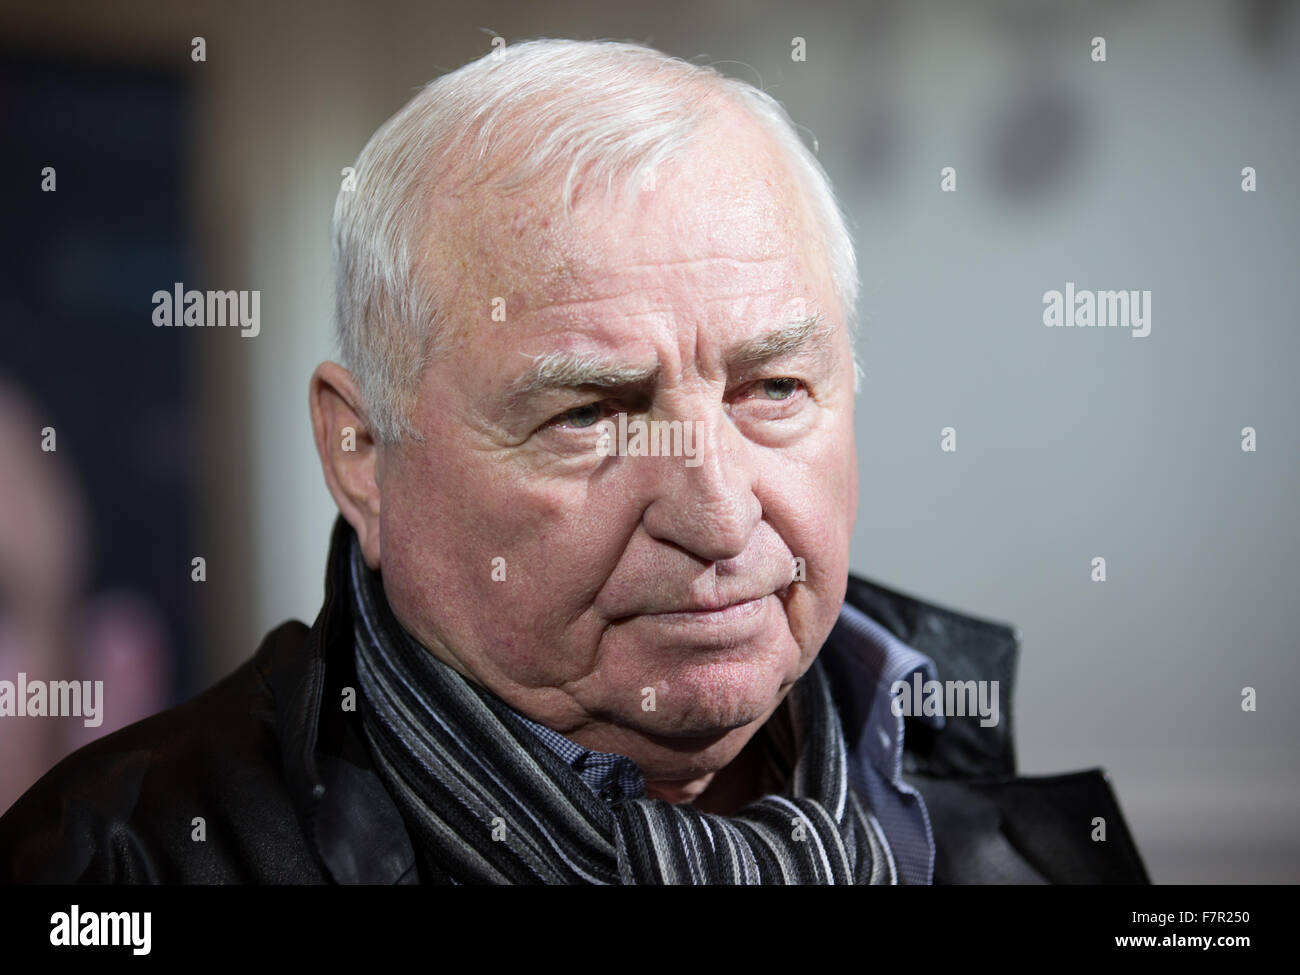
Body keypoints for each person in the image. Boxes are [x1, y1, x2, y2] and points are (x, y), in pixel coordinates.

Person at [0, 38, 1148, 884]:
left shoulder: (1024, 841)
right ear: (361, 453)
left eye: (774, 392)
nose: (715, 511)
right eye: (592, 415)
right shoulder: (108, 872)